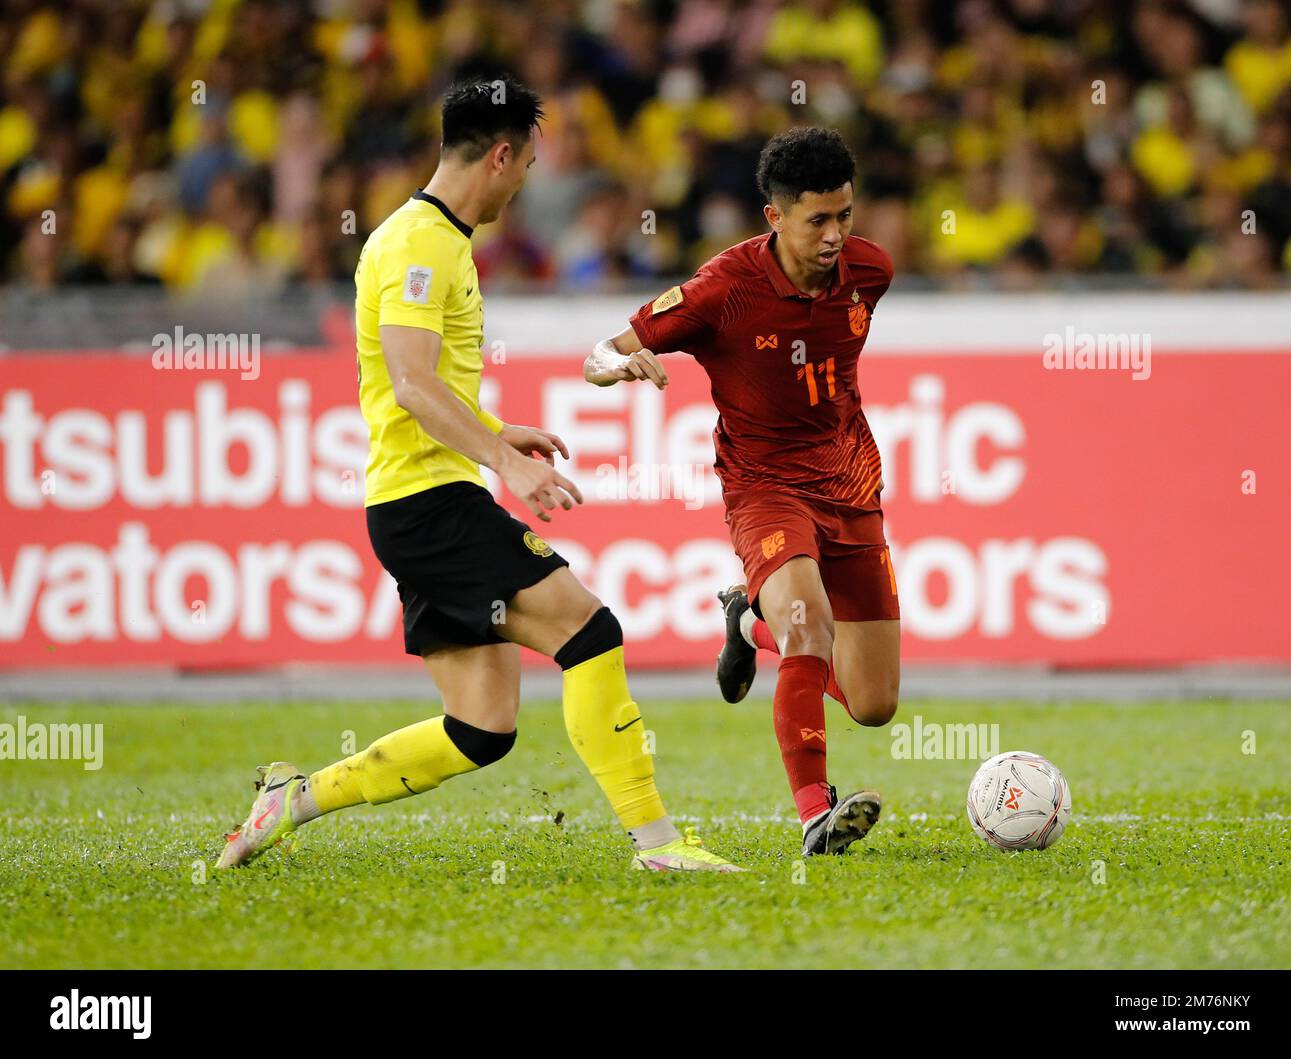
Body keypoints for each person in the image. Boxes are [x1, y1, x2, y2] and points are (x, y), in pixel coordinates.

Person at [216, 77, 739, 873]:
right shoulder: (420, 244)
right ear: (499, 156)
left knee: (482, 728)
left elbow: (428, 386)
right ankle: (659, 845)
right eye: (526, 163)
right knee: (589, 629)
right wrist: (502, 465)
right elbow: (413, 385)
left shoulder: (430, 238)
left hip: (418, 500)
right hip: (431, 504)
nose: (526, 180)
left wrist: (498, 434)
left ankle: (295, 798)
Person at [585, 126, 899, 856]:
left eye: (845, 215)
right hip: (765, 487)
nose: (835, 236)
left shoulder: (871, 271)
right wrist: (618, 366)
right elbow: (602, 352)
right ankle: (816, 811)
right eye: (817, 219)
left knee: (875, 703)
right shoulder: (723, 289)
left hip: (852, 486)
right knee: (808, 625)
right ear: (775, 217)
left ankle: (745, 621)